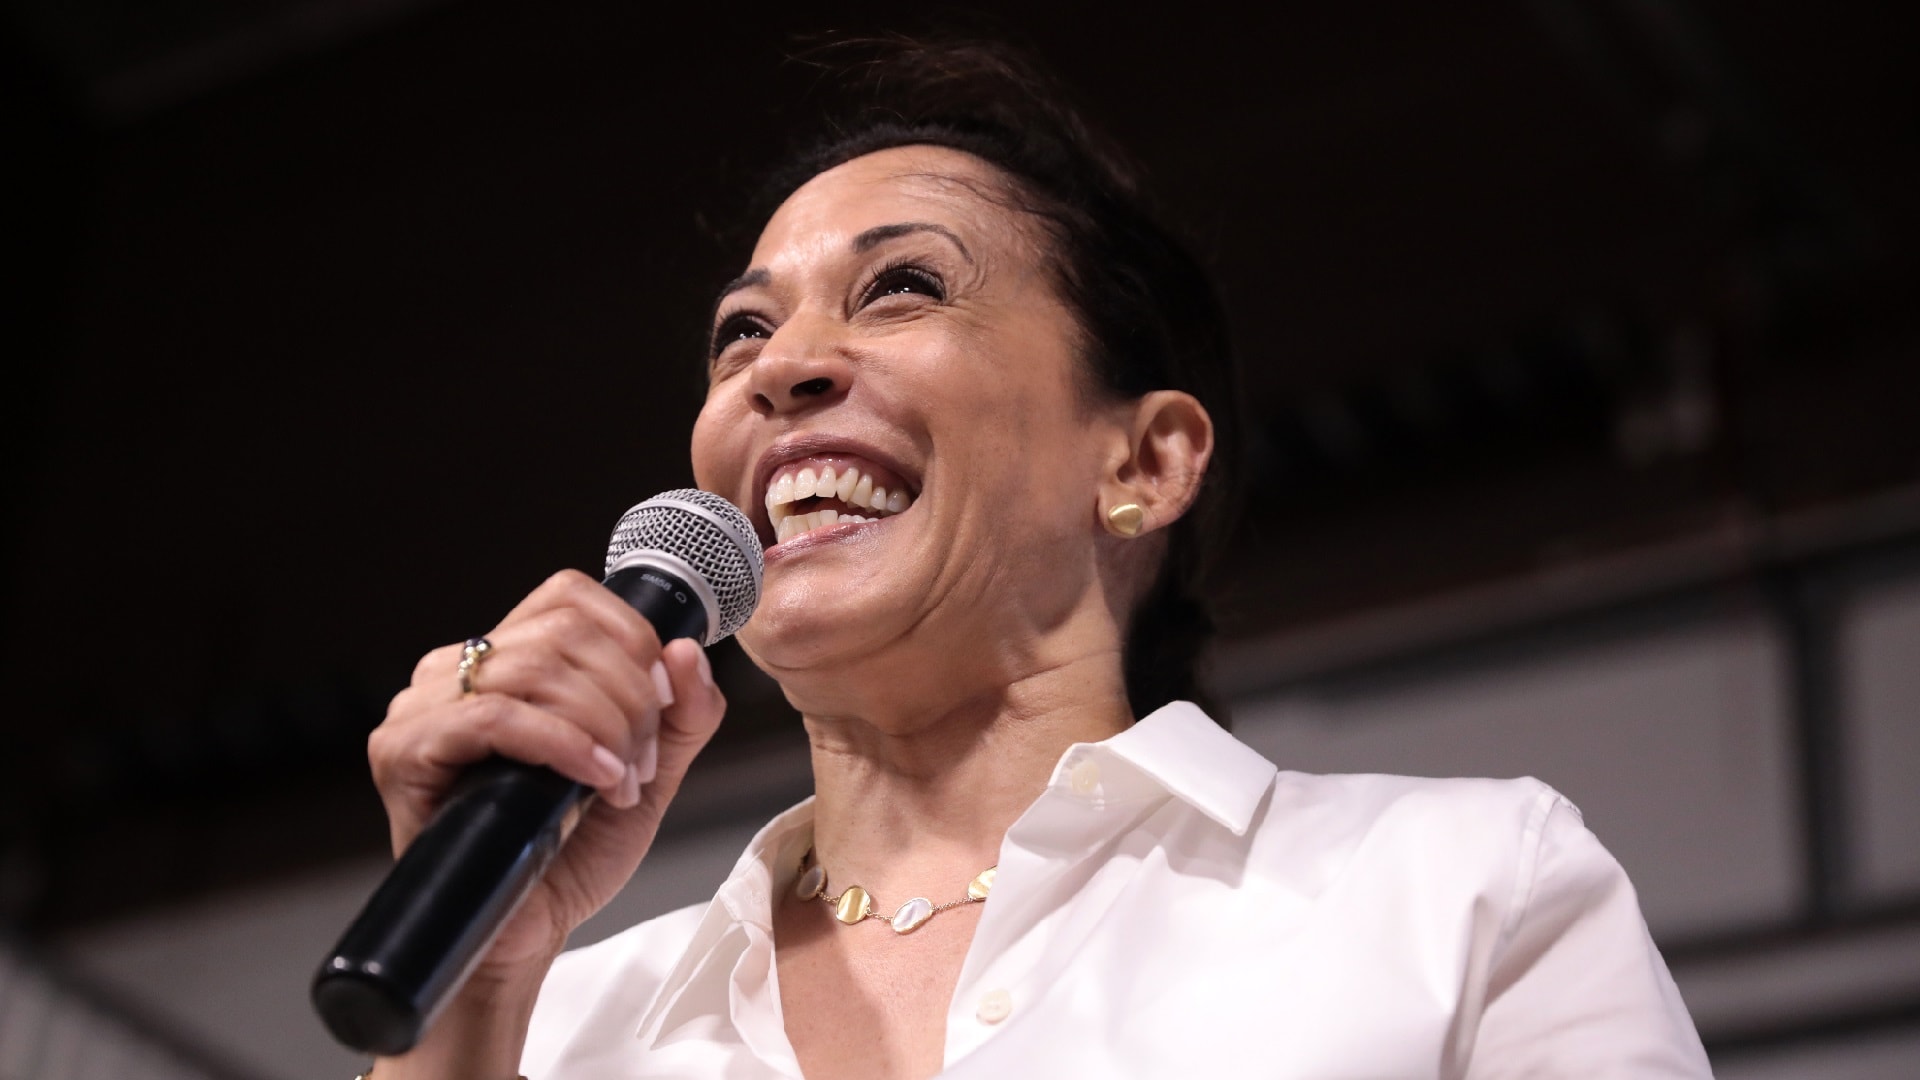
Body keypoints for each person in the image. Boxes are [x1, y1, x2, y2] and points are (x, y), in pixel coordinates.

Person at [361, 40, 1711, 1080]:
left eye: (903, 289)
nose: (780, 368)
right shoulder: (564, 1026)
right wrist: (480, 985)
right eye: (739, 335)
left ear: (1142, 463)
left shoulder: (1454, 891)